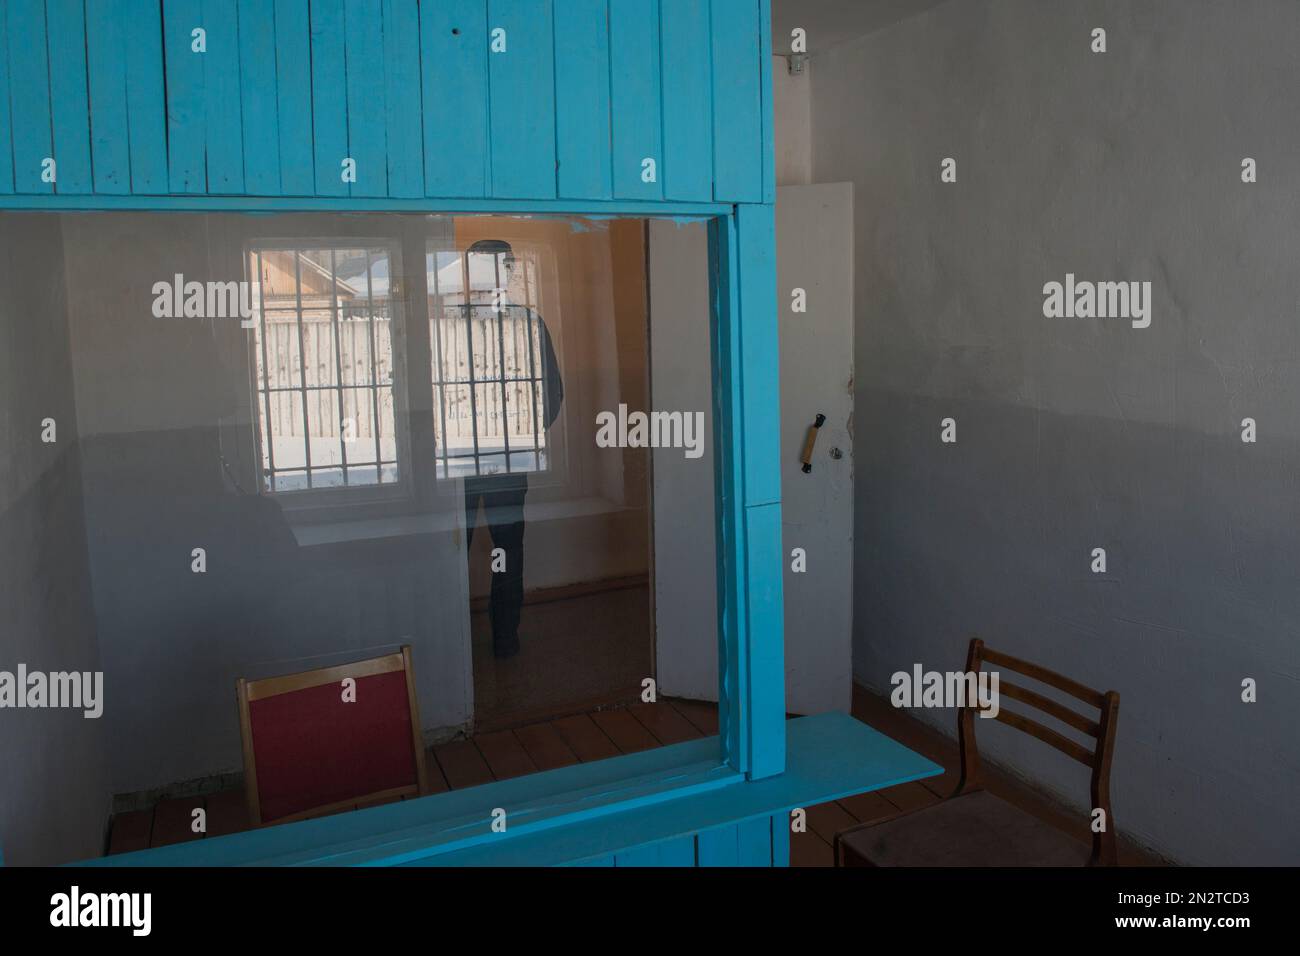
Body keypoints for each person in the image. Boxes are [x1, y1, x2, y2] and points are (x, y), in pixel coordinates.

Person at [461, 239, 564, 659]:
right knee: (503, 550)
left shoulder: (452, 324)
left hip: (466, 461)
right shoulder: (527, 323)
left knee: (459, 549)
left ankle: (463, 641)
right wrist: (518, 434)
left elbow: (552, 395)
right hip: (498, 457)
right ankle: (504, 638)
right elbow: (552, 397)